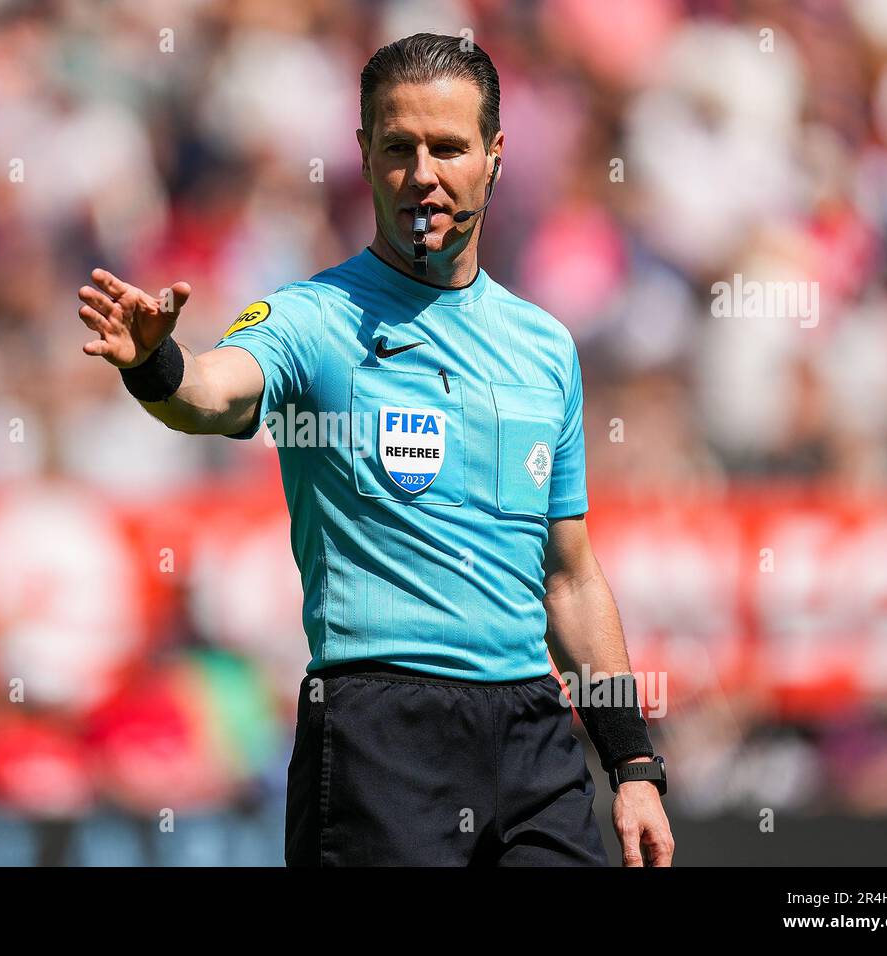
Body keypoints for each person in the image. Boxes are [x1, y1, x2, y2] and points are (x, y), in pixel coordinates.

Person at [75, 33, 674, 866]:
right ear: (363, 156)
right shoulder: (312, 318)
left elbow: (569, 574)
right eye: (399, 147)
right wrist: (156, 363)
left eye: (449, 147)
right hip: (380, 736)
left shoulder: (545, 348)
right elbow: (212, 395)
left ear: (495, 157)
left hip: (533, 736)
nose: (423, 173)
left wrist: (632, 762)